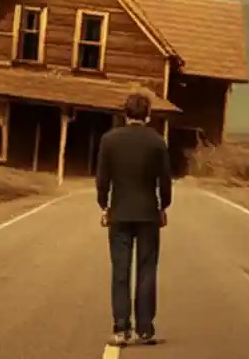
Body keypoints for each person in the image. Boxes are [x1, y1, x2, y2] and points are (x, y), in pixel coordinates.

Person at [96, 91, 172, 347]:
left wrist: (104, 205)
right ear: (148, 115)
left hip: (119, 211)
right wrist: (163, 206)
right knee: (147, 269)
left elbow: (102, 178)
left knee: (120, 269)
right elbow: (165, 180)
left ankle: (121, 328)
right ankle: (145, 328)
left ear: (125, 114)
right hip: (148, 212)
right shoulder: (157, 142)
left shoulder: (109, 140)